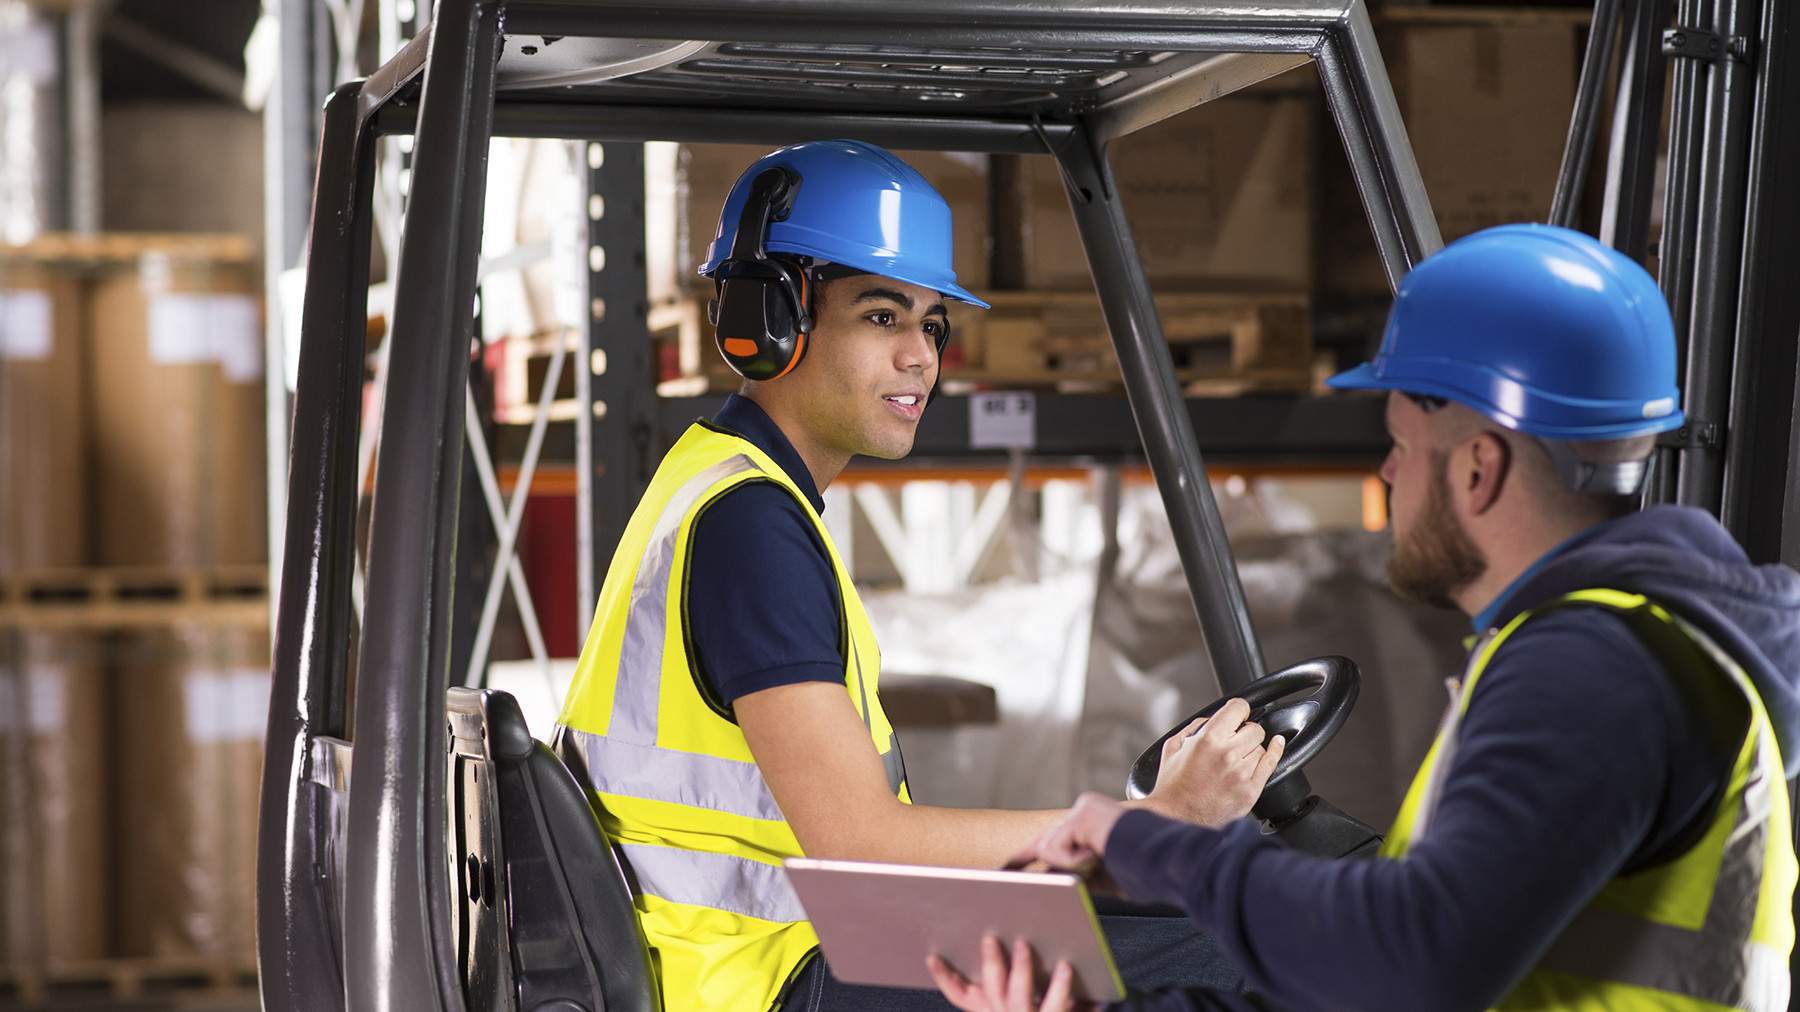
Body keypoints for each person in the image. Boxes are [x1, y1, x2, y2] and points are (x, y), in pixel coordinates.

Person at [928, 223, 1800, 1011]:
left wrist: (1160, 847)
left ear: (1478, 469)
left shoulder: (1594, 669)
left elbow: (1413, 959)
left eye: (1400, 447)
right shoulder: (1594, 652)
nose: (1386, 474)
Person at [553, 139, 1283, 1012]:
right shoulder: (750, 526)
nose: (921, 358)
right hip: (773, 981)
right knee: (1249, 947)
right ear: (771, 319)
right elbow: (861, 841)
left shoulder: (725, 485)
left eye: (932, 325)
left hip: (789, 955)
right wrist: (1148, 826)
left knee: (1197, 919)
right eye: (881, 316)